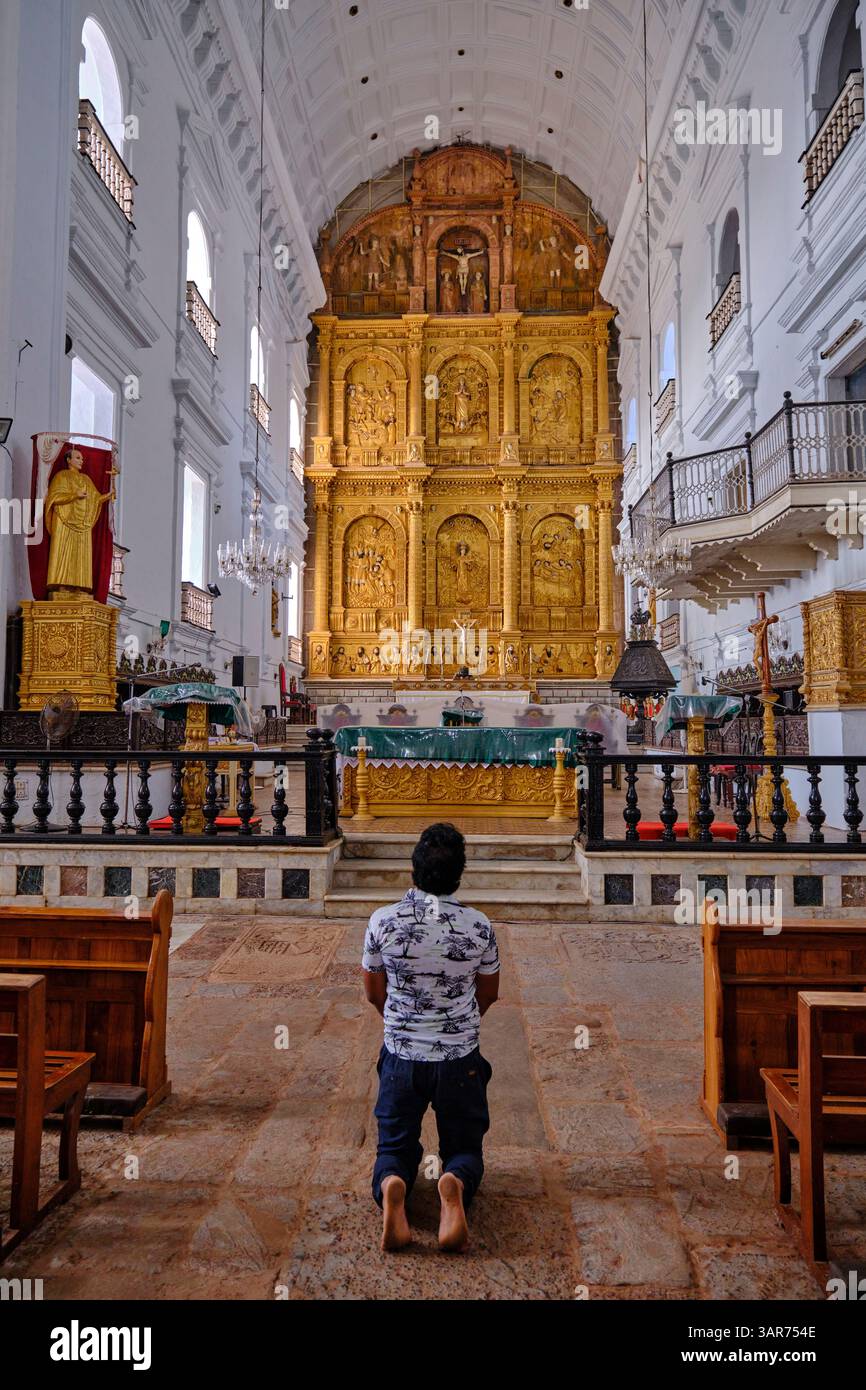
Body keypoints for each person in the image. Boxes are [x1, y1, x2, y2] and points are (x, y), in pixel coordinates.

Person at [362, 822, 500, 1253]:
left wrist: (403, 1021)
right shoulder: (479, 926)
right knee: (464, 1142)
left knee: (394, 1143)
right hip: (459, 1058)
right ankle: (454, 1180)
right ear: (459, 875)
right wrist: (455, 1021)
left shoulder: (383, 921)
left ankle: (394, 1184)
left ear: (412, 870)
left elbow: (372, 990)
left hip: (401, 1056)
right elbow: (489, 993)